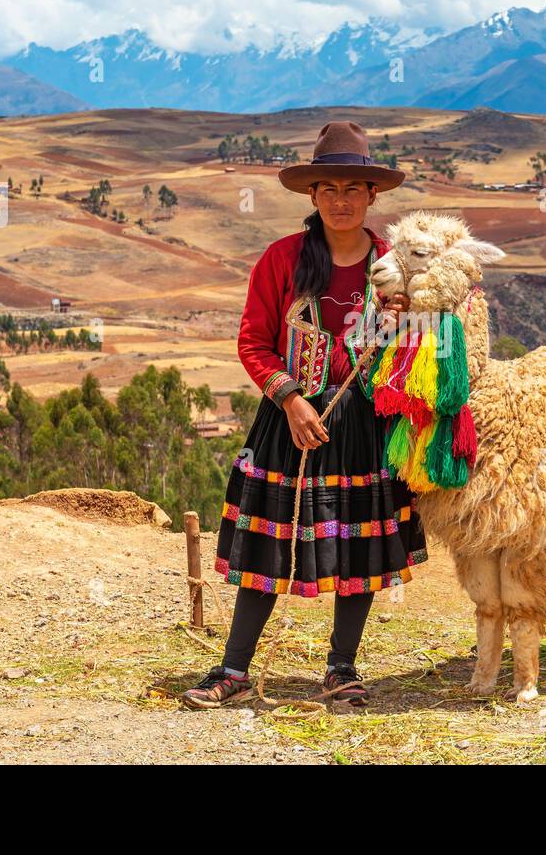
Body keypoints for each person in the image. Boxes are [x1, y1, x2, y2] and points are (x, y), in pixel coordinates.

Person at [183, 121, 427, 709]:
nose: (340, 201)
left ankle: (342, 668)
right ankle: (234, 670)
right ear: (311, 196)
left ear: (373, 196)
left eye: (352, 189)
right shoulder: (282, 260)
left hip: (366, 425)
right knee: (267, 547)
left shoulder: (396, 268)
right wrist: (290, 399)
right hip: (289, 423)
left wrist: (405, 335)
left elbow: (422, 346)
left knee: (356, 545)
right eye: (328, 189)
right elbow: (253, 342)